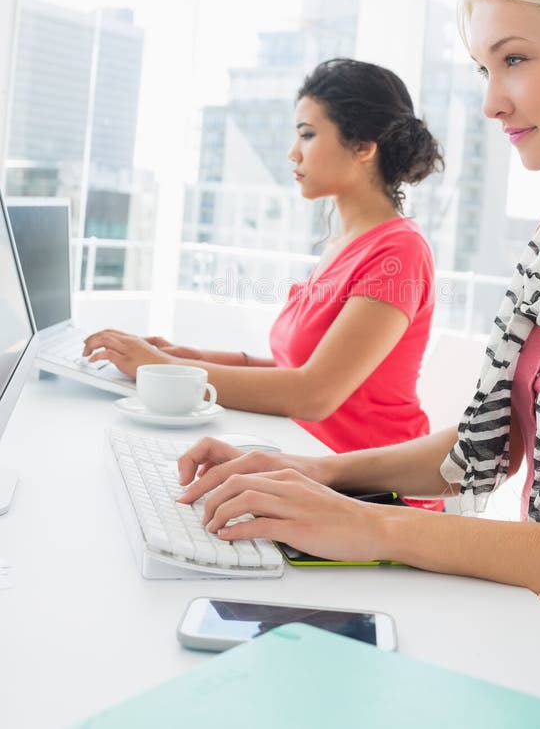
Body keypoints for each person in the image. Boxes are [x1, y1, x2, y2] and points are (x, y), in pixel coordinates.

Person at [174, 0, 540, 687]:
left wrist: (372, 524)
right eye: (482, 68)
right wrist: (317, 474)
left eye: (513, 60)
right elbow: (498, 440)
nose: (490, 104)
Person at [84, 58, 444, 460]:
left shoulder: (399, 251)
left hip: (375, 493)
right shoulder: (342, 244)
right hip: (313, 468)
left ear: (363, 146)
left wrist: (163, 370)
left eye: (307, 135)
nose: (293, 154)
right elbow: (295, 366)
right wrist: (187, 358)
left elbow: (314, 394)